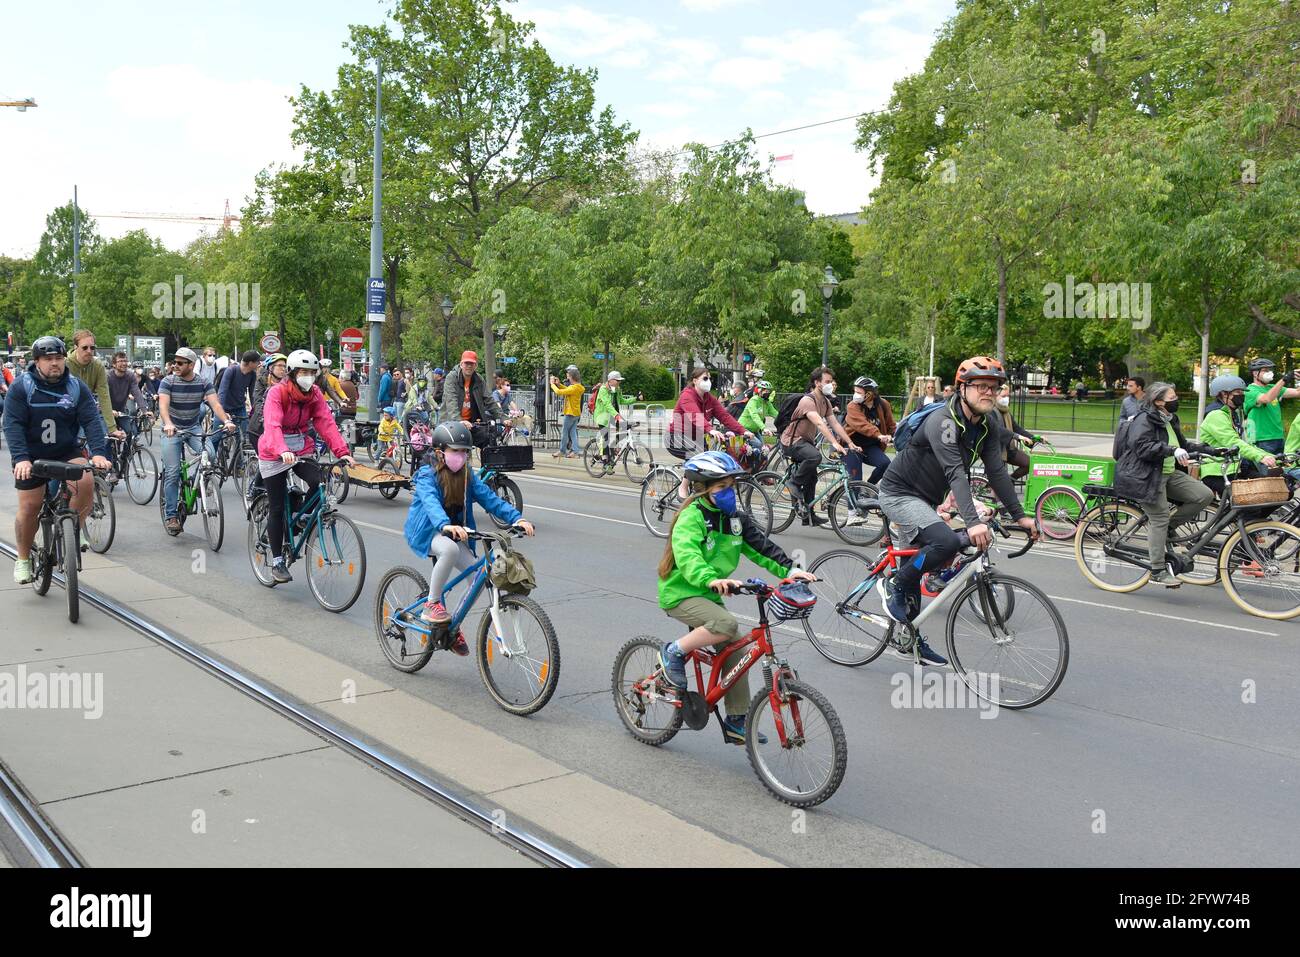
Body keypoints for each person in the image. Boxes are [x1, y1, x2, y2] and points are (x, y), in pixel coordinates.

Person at [876, 356, 1038, 661]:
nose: (989, 392)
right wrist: (972, 521)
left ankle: (908, 637)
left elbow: (997, 473)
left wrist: (1021, 516)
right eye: (981, 386)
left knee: (929, 557)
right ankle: (895, 583)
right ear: (962, 388)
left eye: (995, 387)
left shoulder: (987, 424)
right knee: (946, 542)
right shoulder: (944, 422)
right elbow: (956, 474)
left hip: (928, 501)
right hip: (899, 494)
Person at [655, 451, 816, 745]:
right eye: (721, 488)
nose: (729, 493)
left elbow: (761, 547)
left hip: (708, 594)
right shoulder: (691, 518)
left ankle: (736, 720)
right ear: (703, 489)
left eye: (731, 486)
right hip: (682, 592)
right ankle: (673, 652)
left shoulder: (734, 520)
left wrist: (791, 571)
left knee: (737, 650)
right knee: (726, 624)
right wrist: (712, 579)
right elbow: (689, 557)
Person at [403, 420, 535, 652]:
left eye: (465, 452)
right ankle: (431, 603)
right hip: (428, 531)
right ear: (439, 452)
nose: (461, 456)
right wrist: (445, 525)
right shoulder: (426, 474)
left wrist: (517, 518)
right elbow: (431, 503)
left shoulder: (467, 476)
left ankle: (452, 628)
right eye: (455, 451)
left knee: (477, 578)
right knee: (450, 550)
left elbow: (490, 499)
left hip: (455, 531)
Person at [4, 337, 113, 582]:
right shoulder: (22, 387)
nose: (54, 363)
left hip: (65, 450)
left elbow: (92, 422)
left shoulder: (75, 387)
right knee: (30, 507)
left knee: (85, 480)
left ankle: (74, 528)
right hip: (31, 455)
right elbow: (12, 425)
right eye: (48, 359)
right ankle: (22, 559)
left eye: (58, 358)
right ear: (37, 361)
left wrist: (98, 453)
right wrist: (21, 458)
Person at [257, 350, 355, 582]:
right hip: (273, 451)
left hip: (301, 447)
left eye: (312, 372)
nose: (308, 377)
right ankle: (278, 561)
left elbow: (326, 423)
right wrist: (282, 450)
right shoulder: (276, 393)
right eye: (303, 372)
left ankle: (303, 516)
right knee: (277, 506)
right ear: (291, 373)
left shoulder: (315, 394)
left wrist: (343, 453)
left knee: (319, 480)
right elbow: (272, 425)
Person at [1113, 382, 1215, 587]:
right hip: (1145, 477)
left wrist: (1212, 450)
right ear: (1158, 401)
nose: (1176, 400)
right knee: (1159, 517)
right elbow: (1142, 446)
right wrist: (1171, 451)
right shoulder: (1145, 419)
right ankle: (1157, 570)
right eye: (1172, 398)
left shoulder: (1169, 418)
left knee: (1203, 495)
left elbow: (1183, 446)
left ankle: (1170, 527)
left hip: (1168, 473)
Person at [159, 348, 239, 535]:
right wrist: (168, 424)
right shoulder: (167, 381)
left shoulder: (203, 382)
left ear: (191, 365)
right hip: (173, 429)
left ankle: (196, 482)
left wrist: (226, 421)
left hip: (193, 427)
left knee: (209, 455)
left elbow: (216, 404)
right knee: (172, 472)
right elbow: (163, 405)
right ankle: (171, 515)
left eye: (180, 363)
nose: (175, 366)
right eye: (174, 362)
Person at [778, 367, 851, 526]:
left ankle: (808, 515)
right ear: (817, 383)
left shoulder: (825, 402)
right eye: (827, 381)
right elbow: (819, 422)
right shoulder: (807, 401)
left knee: (812, 478)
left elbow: (835, 424)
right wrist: (834, 443)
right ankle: (793, 483)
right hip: (791, 441)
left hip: (804, 442)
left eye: (831, 382)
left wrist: (850, 442)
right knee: (815, 457)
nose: (830, 384)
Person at [1197, 374, 1277, 499]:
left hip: (1235, 468)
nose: (1242, 395)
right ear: (1224, 394)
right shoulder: (1216, 415)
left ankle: (1243, 518)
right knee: (1250, 503)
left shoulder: (1233, 412)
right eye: (1238, 392)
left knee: (1270, 492)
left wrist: (1272, 457)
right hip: (1217, 471)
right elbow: (1233, 442)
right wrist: (1260, 457)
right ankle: (1241, 518)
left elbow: (1245, 442)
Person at [437, 350, 503, 449]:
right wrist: (459, 421)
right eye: (466, 363)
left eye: (472, 363)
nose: (469, 366)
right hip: (451, 423)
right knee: (454, 451)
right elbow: (451, 401)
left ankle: (487, 464)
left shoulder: (479, 380)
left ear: (475, 366)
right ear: (461, 364)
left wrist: (503, 418)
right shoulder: (452, 378)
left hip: (471, 423)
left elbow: (489, 400)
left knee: (489, 439)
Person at [66, 330, 119, 439]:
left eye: (92, 347)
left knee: (101, 442)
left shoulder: (98, 365)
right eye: (85, 348)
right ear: (76, 347)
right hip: (67, 412)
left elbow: (104, 396)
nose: (89, 351)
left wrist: (112, 428)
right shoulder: (65, 364)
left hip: (87, 410)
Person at [843, 376, 896, 485]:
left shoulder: (883, 404)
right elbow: (862, 424)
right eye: (855, 391)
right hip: (852, 446)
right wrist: (878, 435)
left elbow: (891, 424)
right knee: (855, 481)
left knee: (885, 464)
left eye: (859, 392)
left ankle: (868, 488)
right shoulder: (852, 406)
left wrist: (891, 435)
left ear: (870, 394)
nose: (855, 395)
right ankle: (854, 498)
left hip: (870, 446)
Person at [1243, 358, 1300, 456]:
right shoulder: (1249, 391)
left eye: (1270, 370)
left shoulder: (1272, 388)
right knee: (1266, 470)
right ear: (1255, 373)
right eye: (1265, 370)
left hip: (1278, 436)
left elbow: (1297, 393)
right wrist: (1284, 379)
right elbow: (1266, 398)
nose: (1269, 373)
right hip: (1261, 439)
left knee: (1280, 469)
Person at [106, 352, 151, 469]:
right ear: (114, 364)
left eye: (125, 361)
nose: (123, 363)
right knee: (107, 438)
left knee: (131, 432)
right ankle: (109, 466)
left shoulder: (130, 376)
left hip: (120, 411)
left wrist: (144, 410)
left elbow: (137, 392)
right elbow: (103, 395)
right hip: (106, 412)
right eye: (120, 361)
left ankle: (124, 457)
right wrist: (109, 410)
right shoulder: (108, 377)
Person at [216, 350, 260, 458]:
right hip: (224, 408)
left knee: (242, 437)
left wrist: (255, 411)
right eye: (257, 362)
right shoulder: (231, 371)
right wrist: (222, 411)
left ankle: (239, 466)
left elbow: (252, 394)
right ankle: (211, 462)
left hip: (239, 408)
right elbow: (222, 391)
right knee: (215, 437)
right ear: (250, 363)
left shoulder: (252, 374)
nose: (259, 364)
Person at [994, 382, 1042, 481]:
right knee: (997, 477)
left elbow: (1017, 428)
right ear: (995, 396)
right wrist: (1017, 436)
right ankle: (995, 488)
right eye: (1003, 396)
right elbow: (998, 430)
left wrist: (1035, 438)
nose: (1006, 398)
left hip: (1009, 449)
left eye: (1008, 396)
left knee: (1029, 463)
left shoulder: (1006, 411)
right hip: (996, 450)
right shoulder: (991, 411)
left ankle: (1009, 481)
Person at [737, 378, 779, 464]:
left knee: (764, 449)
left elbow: (775, 414)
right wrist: (764, 428)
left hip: (755, 431)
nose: (768, 393)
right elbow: (754, 415)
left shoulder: (767, 403)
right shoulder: (754, 400)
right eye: (765, 391)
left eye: (769, 391)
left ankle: (761, 471)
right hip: (744, 429)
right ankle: (749, 464)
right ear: (759, 391)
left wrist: (788, 420)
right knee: (758, 445)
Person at [549, 365, 584, 458]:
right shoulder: (578, 387)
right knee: (572, 432)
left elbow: (559, 392)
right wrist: (559, 384)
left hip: (570, 413)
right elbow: (567, 389)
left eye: (568, 375)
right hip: (576, 413)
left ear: (572, 377)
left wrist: (552, 384)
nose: (567, 377)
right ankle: (575, 451)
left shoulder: (573, 388)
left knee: (564, 432)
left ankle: (562, 450)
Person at [593, 370, 625, 457]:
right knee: (606, 439)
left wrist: (635, 398)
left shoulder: (617, 390)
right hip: (602, 417)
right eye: (617, 380)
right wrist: (616, 415)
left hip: (612, 416)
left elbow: (622, 400)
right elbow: (607, 404)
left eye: (620, 380)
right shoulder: (603, 389)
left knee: (623, 432)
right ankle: (605, 462)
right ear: (610, 380)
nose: (619, 382)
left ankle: (612, 450)